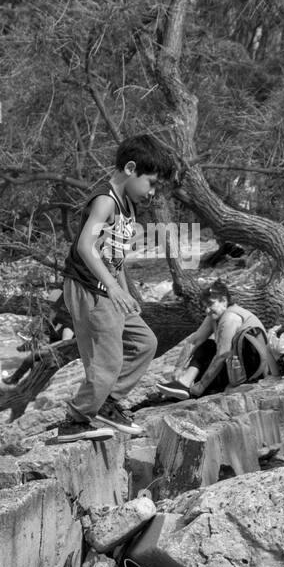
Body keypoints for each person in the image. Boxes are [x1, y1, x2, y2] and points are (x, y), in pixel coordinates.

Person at [50, 135, 175, 444]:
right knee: (108, 361)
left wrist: (124, 290)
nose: (153, 191)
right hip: (88, 289)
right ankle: (76, 420)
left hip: (108, 288)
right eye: (152, 182)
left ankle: (107, 403)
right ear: (131, 168)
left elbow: (114, 258)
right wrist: (113, 289)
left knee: (145, 342)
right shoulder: (105, 201)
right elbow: (85, 247)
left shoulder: (128, 206)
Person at [157, 281, 277, 400]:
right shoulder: (215, 316)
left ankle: (191, 388)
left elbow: (222, 355)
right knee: (206, 345)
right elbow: (193, 341)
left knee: (210, 350)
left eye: (210, 304)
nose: (207, 310)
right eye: (205, 306)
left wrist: (201, 386)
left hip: (250, 370)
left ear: (224, 301)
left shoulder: (230, 318)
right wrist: (178, 368)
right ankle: (184, 383)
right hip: (236, 364)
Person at [3, 293, 75, 387]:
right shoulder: (55, 322)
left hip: (60, 350)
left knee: (33, 356)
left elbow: (65, 342)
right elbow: (45, 335)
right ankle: (24, 382)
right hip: (51, 347)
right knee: (35, 358)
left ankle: (15, 378)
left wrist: (48, 346)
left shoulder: (68, 325)